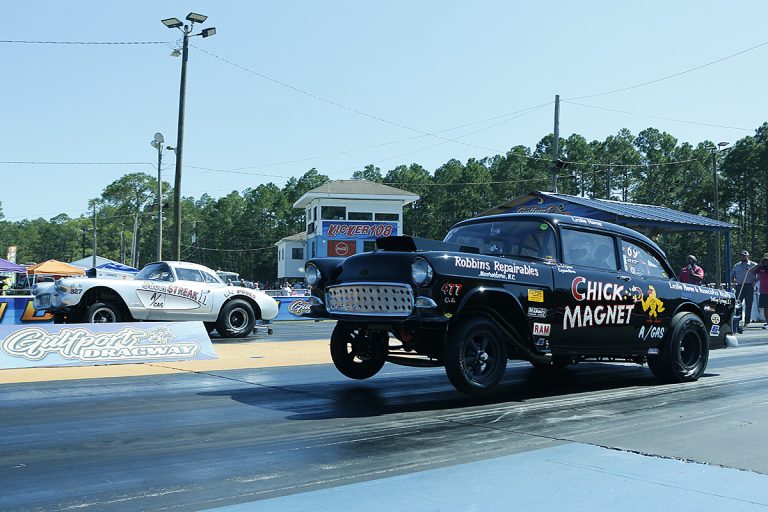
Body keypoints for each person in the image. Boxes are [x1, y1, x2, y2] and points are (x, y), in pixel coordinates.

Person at [732, 250, 757, 331]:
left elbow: (759, 274)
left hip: (749, 285)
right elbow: (732, 275)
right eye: (742, 255)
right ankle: (737, 320)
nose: (743, 257)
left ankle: (747, 321)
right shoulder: (737, 265)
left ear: (747, 256)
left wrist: (755, 281)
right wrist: (733, 282)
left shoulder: (753, 265)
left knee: (749, 303)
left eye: (744, 255)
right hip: (739, 286)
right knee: (738, 303)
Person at [748, 253, 768, 329]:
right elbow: (752, 271)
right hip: (763, 290)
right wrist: (760, 264)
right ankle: (767, 322)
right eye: (765, 260)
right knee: (765, 308)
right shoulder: (761, 268)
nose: (766, 261)